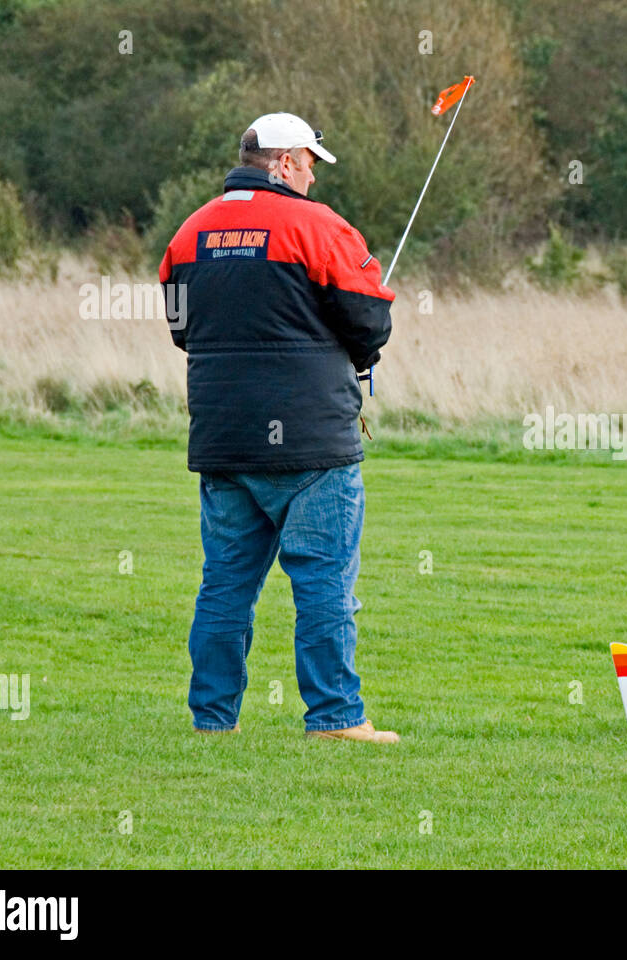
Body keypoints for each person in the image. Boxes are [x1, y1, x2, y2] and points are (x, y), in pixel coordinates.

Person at [158, 112, 397, 743]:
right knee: (323, 584)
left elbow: (182, 331)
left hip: (222, 437)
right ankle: (337, 719)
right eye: (311, 162)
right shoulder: (319, 227)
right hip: (313, 441)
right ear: (285, 162)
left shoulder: (189, 233)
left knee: (225, 586)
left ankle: (212, 720)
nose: (313, 175)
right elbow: (370, 322)